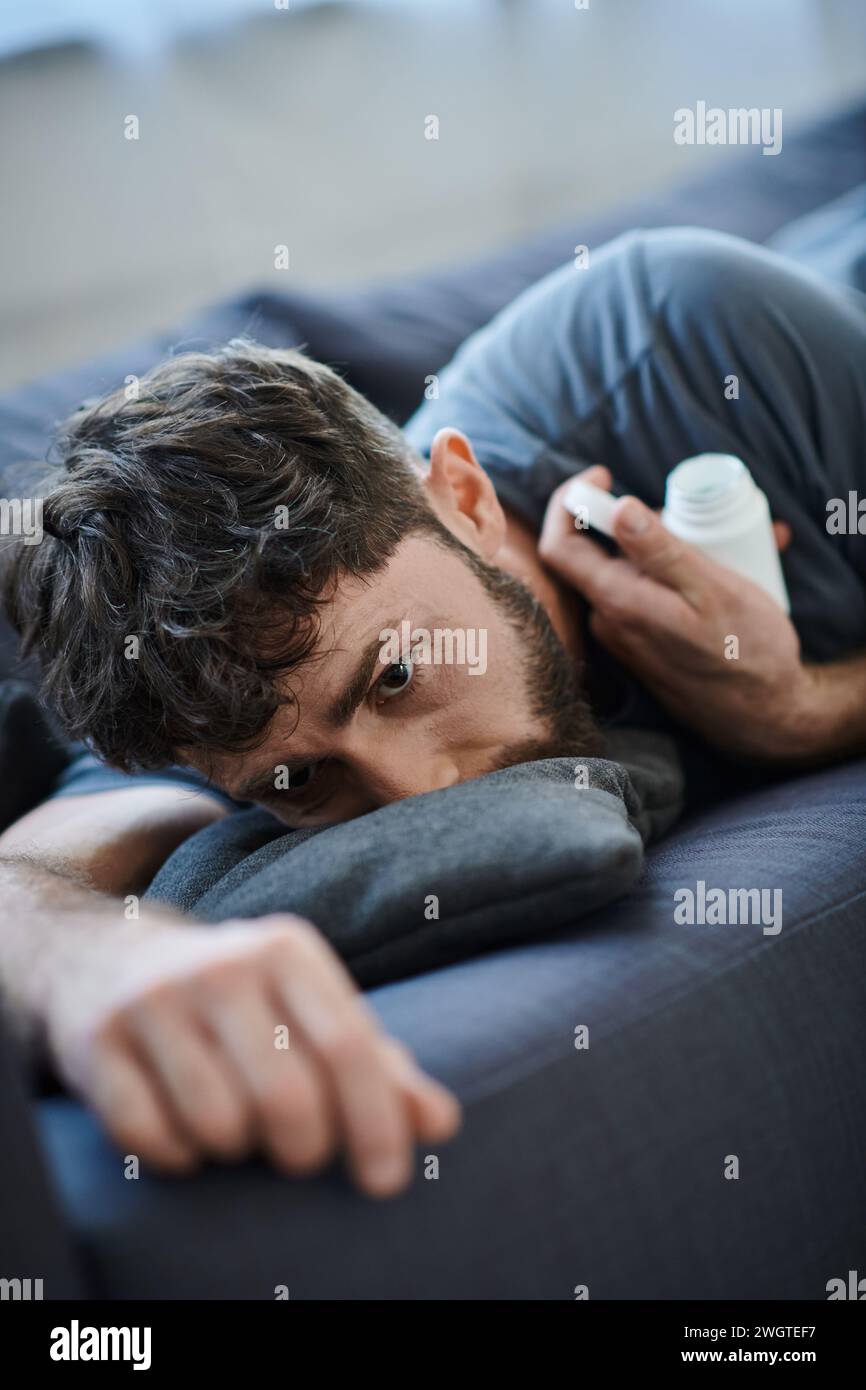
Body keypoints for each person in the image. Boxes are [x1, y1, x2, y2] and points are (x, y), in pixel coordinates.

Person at [3, 227, 866, 1194]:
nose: (421, 794)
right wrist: (91, 965)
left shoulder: (690, 346)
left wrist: (808, 710)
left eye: (399, 677)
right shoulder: (206, 695)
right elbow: (28, 872)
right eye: (303, 782)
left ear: (463, 497)